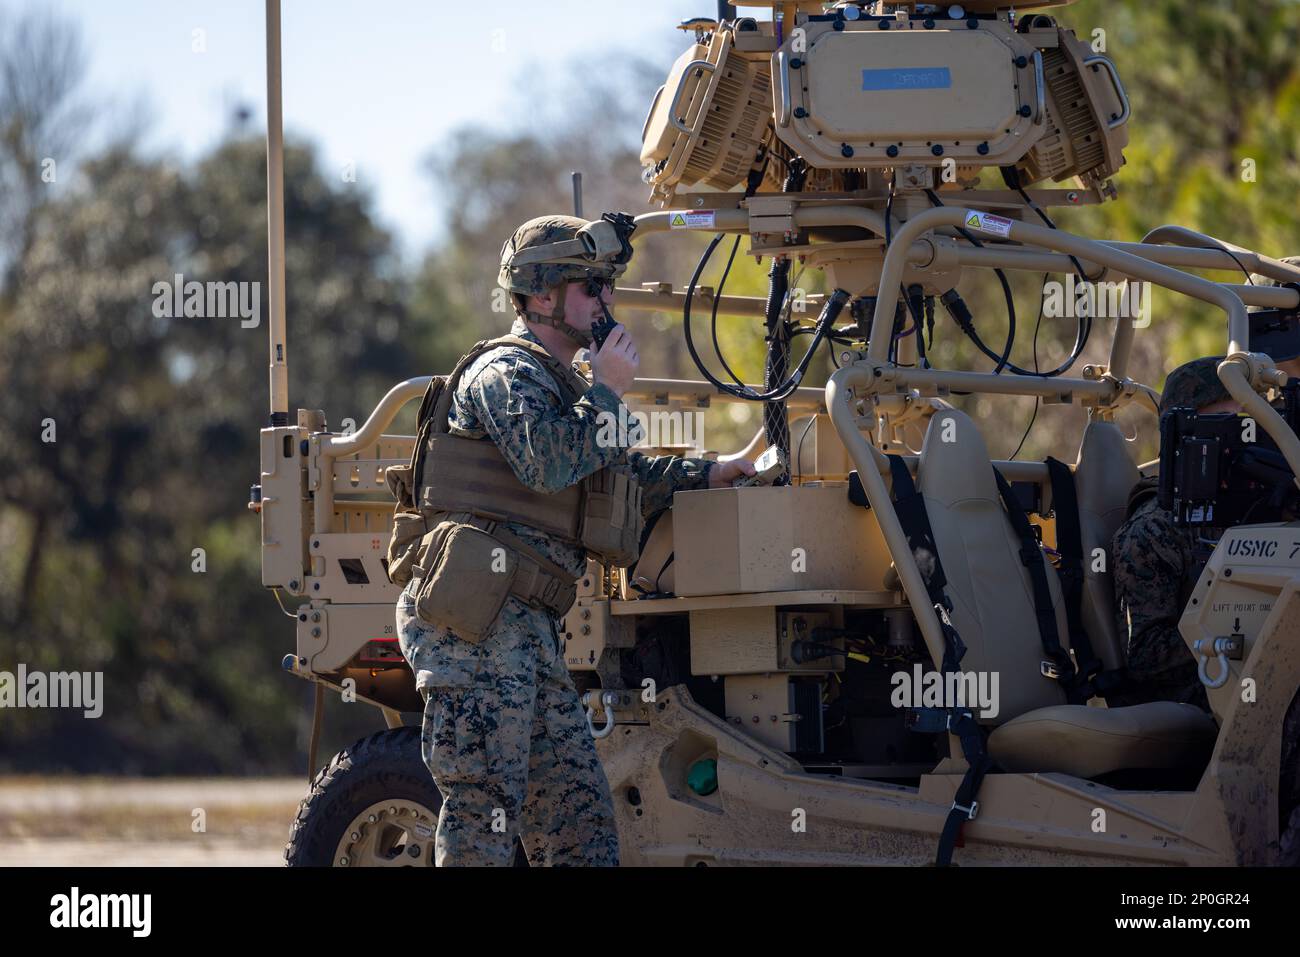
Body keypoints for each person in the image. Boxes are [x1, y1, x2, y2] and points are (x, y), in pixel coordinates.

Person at [395, 213, 754, 866]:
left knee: (581, 826)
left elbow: (622, 479)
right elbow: (547, 462)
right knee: (482, 814)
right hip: (477, 625)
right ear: (540, 297)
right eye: (591, 287)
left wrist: (714, 471)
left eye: (607, 287)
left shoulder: (571, 389)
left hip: (530, 631)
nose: (606, 302)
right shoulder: (505, 372)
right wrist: (611, 393)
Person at [1112, 268, 1300, 709]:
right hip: (1203, 690)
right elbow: (1144, 655)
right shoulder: (1154, 531)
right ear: (1191, 434)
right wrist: (1245, 634)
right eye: (1231, 422)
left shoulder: (1267, 506)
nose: (1247, 435)